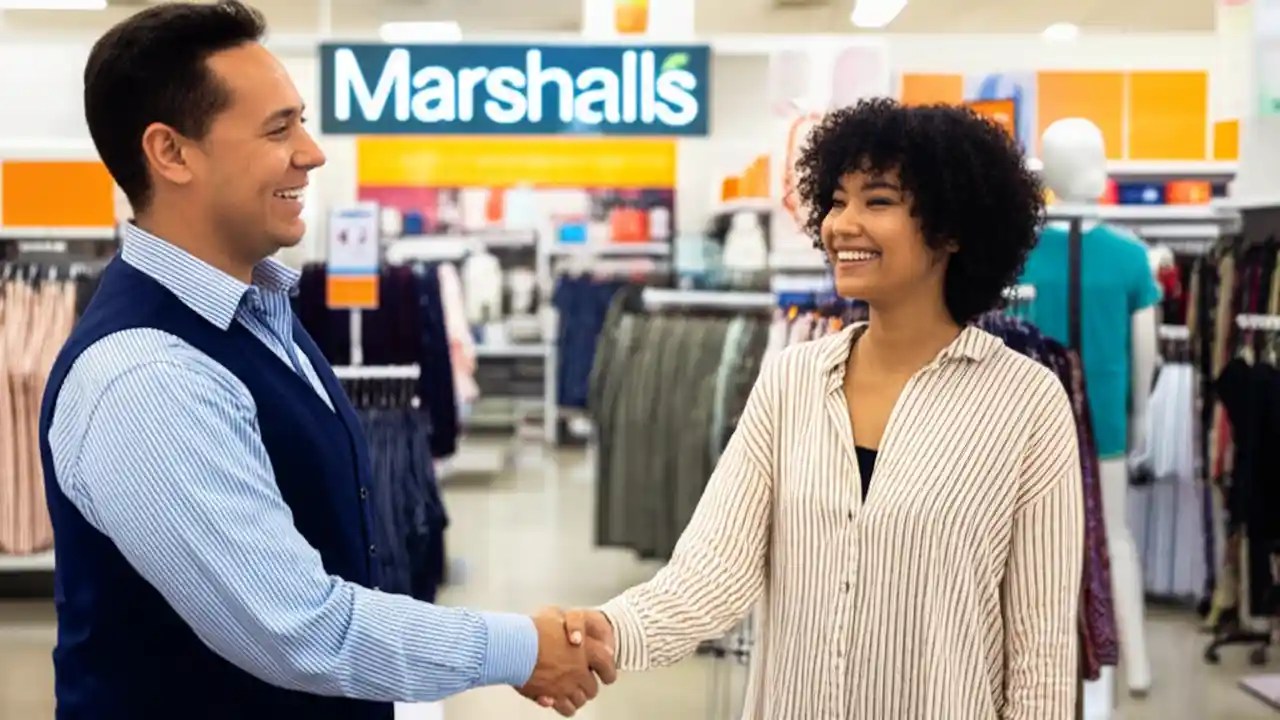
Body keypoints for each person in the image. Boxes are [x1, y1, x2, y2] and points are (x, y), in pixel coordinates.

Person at [37, 2, 612, 718]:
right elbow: (301, 627)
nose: (312, 151)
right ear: (171, 153)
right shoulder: (146, 377)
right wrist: (521, 647)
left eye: (301, 121)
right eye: (279, 129)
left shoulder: (261, 312)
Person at [546, 99, 1085, 719]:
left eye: (877, 201)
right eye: (835, 200)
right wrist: (604, 633)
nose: (840, 224)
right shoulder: (792, 380)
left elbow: (1040, 650)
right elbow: (712, 571)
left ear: (954, 228)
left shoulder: (1025, 404)